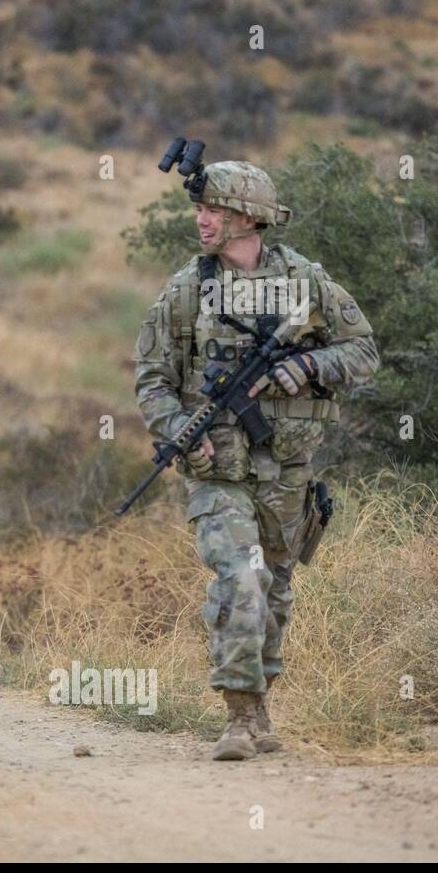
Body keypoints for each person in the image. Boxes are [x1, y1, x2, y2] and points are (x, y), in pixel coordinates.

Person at [132, 160, 378, 760]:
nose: (201, 219)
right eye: (199, 209)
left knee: (275, 588)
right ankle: (239, 716)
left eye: (212, 209)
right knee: (241, 578)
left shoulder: (306, 282)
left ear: (247, 216)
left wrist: (308, 366)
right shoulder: (187, 289)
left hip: (288, 471)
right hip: (218, 472)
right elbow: (152, 378)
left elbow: (363, 350)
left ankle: (261, 700)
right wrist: (179, 431)